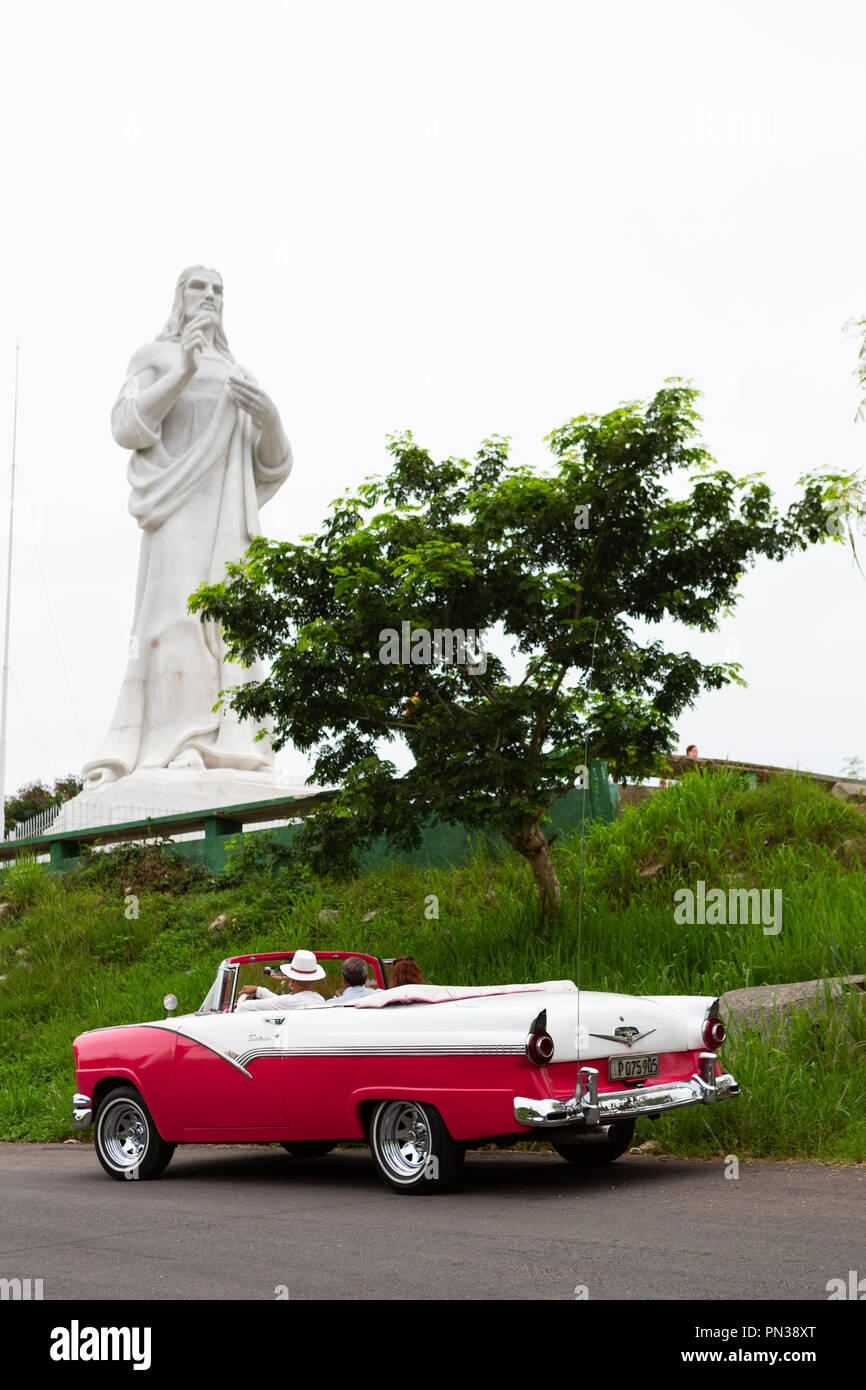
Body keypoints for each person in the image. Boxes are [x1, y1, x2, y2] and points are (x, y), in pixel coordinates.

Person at [82, 266, 293, 786]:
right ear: (179, 297)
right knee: (174, 620)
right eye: (200, 286)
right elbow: (126, 424)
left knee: (234, 625)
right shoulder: (153, 357)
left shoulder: (240, 371)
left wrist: (270, 418)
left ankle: (234, 744)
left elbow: (273, 464)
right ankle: (174, 742)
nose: (211, 297)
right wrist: (183, 370)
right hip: (176, 512)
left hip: (228, 519)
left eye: (219, 290)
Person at [236, 950, 326, 1011]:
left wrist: (241, 999)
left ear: (292, 980)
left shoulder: (289, 1002)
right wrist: (259, 990)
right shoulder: (319, 999)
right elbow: (278, 1001)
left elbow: (242, 1007)